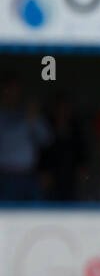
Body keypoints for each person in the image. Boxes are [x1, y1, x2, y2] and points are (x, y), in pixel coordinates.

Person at [0, 73, 52, 202]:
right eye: (10, 90)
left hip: (28, 175)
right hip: (5, 175)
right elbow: (8, 139)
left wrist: (34, 120)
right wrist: (26, 123)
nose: (13, 94)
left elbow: (47, 139)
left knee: (36, 215)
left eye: (16, 90)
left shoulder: (29, 112)